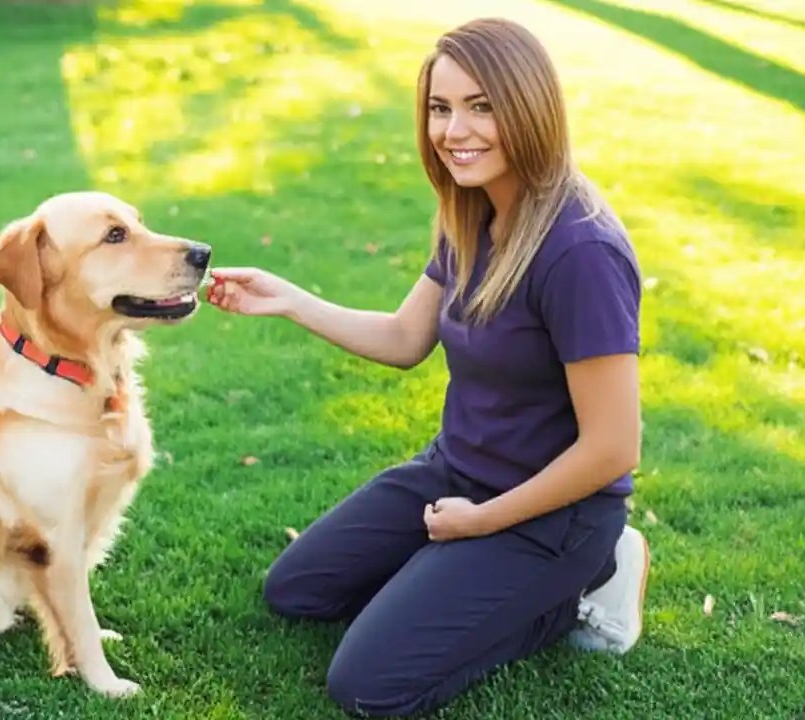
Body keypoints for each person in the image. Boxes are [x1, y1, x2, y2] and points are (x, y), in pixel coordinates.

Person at [206, 16, 650, 719]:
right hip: (456, 472)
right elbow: (406, 337)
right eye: (441, 108)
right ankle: (458, 580)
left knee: (371, 684)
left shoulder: (581, 253)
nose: (454, 131)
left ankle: (589, 582)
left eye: (481, 106)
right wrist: (289, 301)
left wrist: (481, 524)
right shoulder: (471, 212)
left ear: (530, 107)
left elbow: (613, 447)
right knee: (299, 591)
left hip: (553, 515)